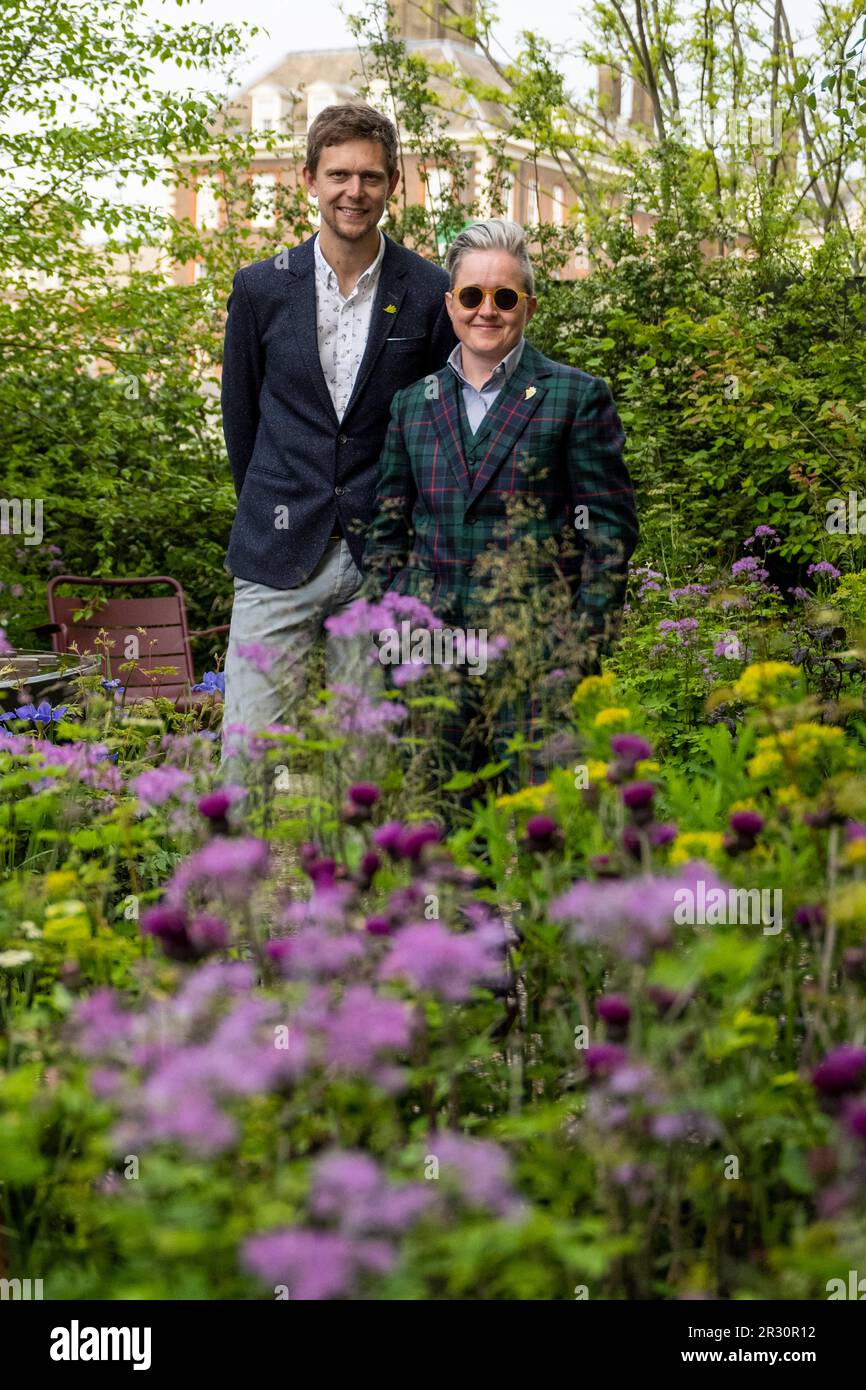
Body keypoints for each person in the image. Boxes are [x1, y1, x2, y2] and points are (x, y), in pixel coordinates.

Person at [219, 102, 456, 777]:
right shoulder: (262, 287)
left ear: (393, 184)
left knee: (368, 763)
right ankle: (223, 881)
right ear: (310, 181)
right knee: (248, 756)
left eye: (372, 177)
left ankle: (363, 882)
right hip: (277, 549)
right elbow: (243, 417)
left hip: (379, 561)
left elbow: (436, 425)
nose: (355, 191)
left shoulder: (428, 291)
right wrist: (272, 505)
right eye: (340, 175)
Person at [362, 217, 639, 790]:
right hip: (431, 651)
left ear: (529, 307)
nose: (487, 309)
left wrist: (580, 645)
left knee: (551, 823)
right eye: (472, 295)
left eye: (504, 296)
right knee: (446, 828)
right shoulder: (412, 404)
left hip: (537, 654)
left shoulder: (576, 396)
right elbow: (387, 529)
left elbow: (608, 534)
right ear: (450, 304)